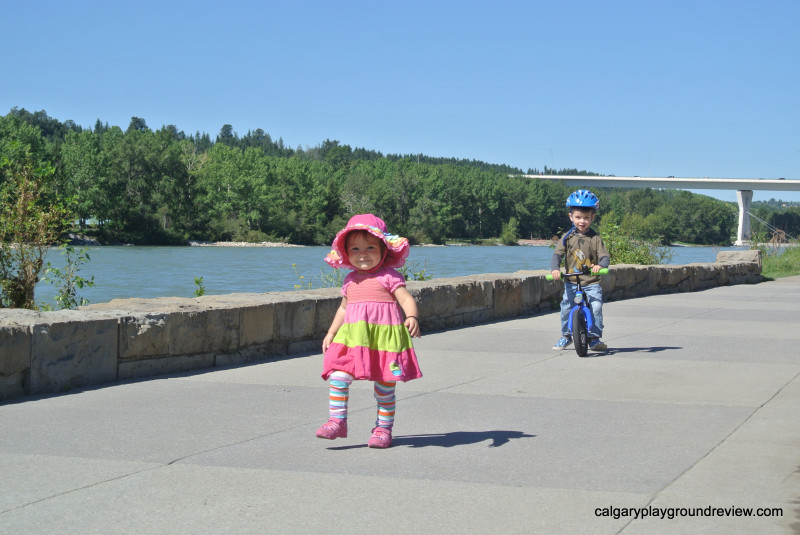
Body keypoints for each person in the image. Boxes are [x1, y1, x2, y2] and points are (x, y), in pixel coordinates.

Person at [316, 214, 422, 448]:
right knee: (338, 376)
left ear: (384, 249)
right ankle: (337, 420)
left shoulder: (389, 277)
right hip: (352, 339)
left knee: (384, 388)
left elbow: (405, 300)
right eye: (355, 248)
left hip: (384, 342)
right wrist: (331, 333)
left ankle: (383, 429)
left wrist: (412, 316)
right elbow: (343, 309)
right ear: (346, 253)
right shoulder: (350, 281)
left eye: (370, 247)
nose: (362, 253)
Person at [550, 190, 610, 351]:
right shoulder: (567, 237)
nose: (581, 221)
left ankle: (595, 338)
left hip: (591, 282)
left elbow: (605, 257)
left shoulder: (595, 239)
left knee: (596, 307)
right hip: (571, 281)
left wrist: (600, 266)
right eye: (578, 217)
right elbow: (557, 256)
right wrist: (555, 269)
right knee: (566, 307)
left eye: (586, 218)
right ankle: (566, 335)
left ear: (592, 218)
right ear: (571, 217)